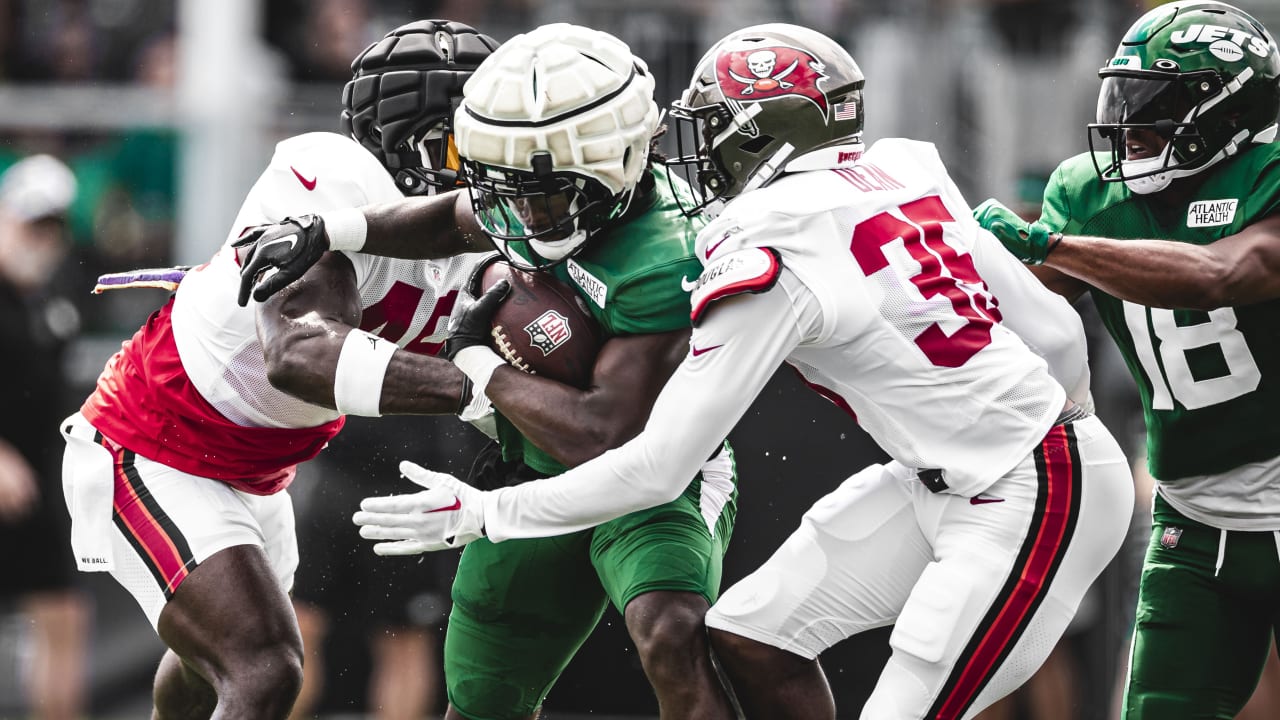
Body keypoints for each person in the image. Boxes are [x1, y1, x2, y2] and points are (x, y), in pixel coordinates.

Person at [242, 22, 1135, 719]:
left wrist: (486, 503)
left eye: (710, 130)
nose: (690, 147)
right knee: (753, 638)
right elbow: (1054, 330)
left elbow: (649, 459)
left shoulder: (745, 250)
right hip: (948, 472)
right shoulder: (898, 167)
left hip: (1027, 486)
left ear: (758, 139)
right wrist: (337, 228)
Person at [238, 23, 742, 720]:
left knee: (671, 631)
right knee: (481, 699)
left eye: (542, 193)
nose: (522, 214)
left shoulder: (664, 257)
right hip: (532, 466)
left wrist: (479, 367)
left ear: (615, 161)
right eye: (508, 188)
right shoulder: (549, 186)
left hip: (657, 480)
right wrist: (333, 229)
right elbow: (454, 213)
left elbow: (604, 437)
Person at [60, 20, 499, 719]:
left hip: (260, 470)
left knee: (212, 666)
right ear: (418, 138)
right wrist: (486, 393)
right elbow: (300, 356)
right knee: (264, 665)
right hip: (153, 442)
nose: (497, 155)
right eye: (476, 135)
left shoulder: (488, 227)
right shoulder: (334, 172)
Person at [970, 2, 1280, 717]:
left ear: (1232, 112)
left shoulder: (1267, 177)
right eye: (1126, 99)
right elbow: (1012, 310)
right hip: (1195, 516)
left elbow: (1220, 275)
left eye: (1159, 105)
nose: (1132, 127)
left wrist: (1045, 245)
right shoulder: (1089, 195)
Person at [0, 154, 91, 720]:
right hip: (10, 477)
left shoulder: (53, 302)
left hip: (38, 484)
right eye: (32, 224)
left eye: (52, 228)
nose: (42, 240)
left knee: (64, 620)